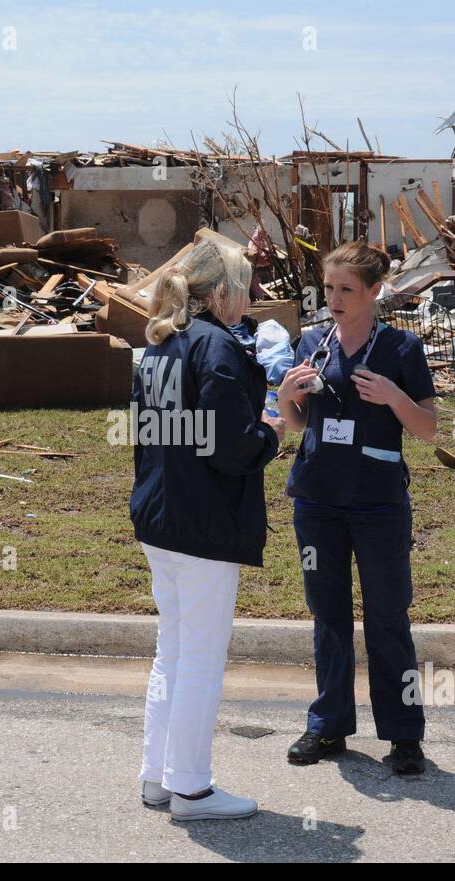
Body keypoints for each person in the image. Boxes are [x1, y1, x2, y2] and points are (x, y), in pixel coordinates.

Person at [130, 238, 285, 821]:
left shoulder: (160, 343)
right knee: (198, 657)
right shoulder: (216, 346)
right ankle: (191, 786)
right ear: (220, 291)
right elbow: (233, 448)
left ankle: (158, 778)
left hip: (161, 516)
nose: (250, 298)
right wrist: (274, 428)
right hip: (201, 522)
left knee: (172, 651)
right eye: (244, 286)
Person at [274, 241, 438, 775]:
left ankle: (404, 735)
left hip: (377, 505)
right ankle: (327, 727)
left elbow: (429, 429)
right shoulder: (314, 343)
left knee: (388, 617)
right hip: (318, 501)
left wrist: (393, 396)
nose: (335, 298)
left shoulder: (402, 349)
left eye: (347, 289)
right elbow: (300, 425)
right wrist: (285, 399)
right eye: (329, 288)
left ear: (375, 291)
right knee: (329, 617)